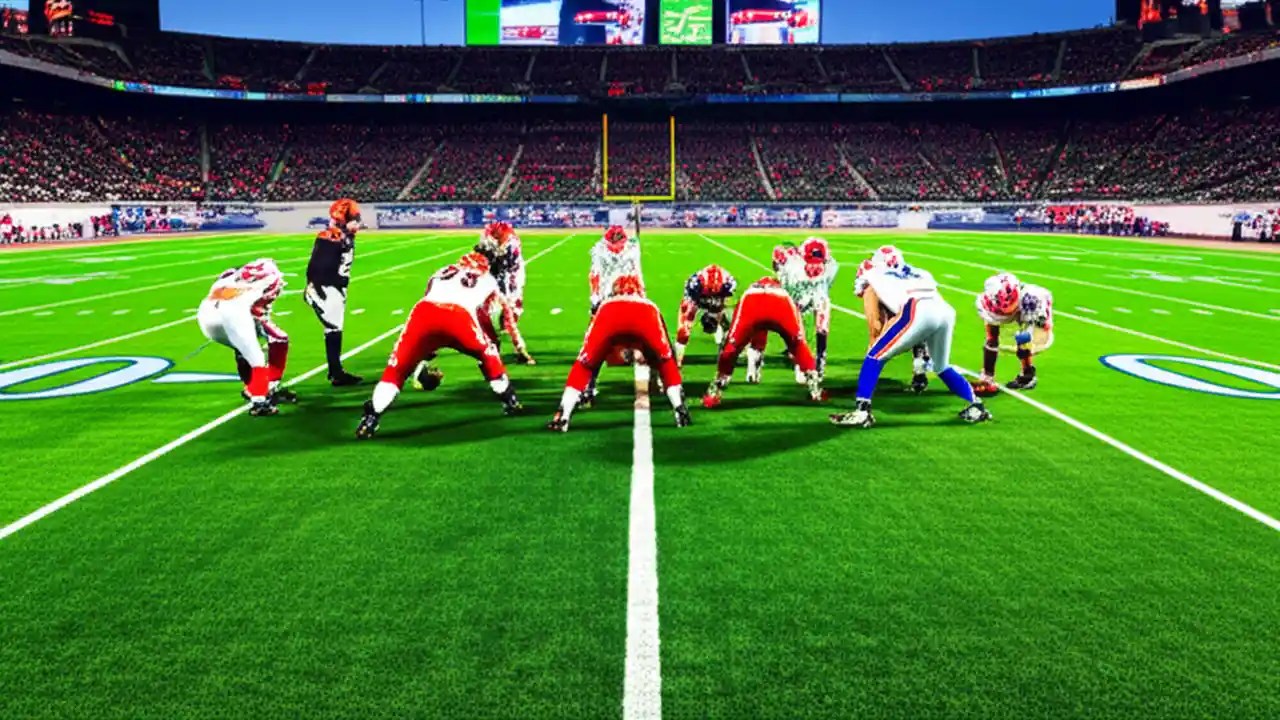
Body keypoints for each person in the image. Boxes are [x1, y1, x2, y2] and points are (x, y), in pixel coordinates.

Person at [355, 252, 523, 439]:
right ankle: (510, 400)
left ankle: (370, 419)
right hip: (460, 319)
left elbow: (429, 298)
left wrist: (424, 355)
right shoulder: (488, 281)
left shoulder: (442, 271)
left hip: (424, 314)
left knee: (396, 372)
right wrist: (490, 348)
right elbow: (484, 318)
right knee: (488, 356)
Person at [829, 256, 991, 429]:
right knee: (941, 367)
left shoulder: (872, 275)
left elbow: (875, 319)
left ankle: (862, 412)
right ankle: (977, 405)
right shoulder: (916, 272)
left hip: (917, 308)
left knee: (874, 356)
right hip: (944, 310)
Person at [547, 275, 691, 433]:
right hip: (645, 316)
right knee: (666, 363)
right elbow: (665, 349)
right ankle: (679, 408)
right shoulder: (650, 305)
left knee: (583, 365)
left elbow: (590, 341)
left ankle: (563, 414)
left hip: (610, 314)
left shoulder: (606, 304)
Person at [701, 276, 824, 408]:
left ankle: (715, 389)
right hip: (780, 301)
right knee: (798, 344)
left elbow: (742, 336)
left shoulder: (748, 293)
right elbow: (798, 340)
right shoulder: (785, 293)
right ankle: (815, 388)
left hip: (752, 301)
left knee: (731, 348)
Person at [196, 259, 294, 417]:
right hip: (234, 314)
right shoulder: (268, 279)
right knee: (259, 356)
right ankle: (259, 400)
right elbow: (257, 311)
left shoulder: (228, 277)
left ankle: (254, 387)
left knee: (244, 350)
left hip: (205, 315)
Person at [305, 197, 363, 387]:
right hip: (327, 288)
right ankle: (336, 372)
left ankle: (335, 371)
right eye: (355, 219)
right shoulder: (331, 237)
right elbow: (317, 267)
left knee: (334, 328)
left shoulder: (343, 236)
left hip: (334, 287)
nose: (358, 223)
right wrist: (316, 288)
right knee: (334, 328)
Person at [971, 273, 1054, 395]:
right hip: (1002, 305)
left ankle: (1027, 374)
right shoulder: (989, 299)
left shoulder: (1030, 299)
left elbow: (1039, 333)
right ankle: (987, 377)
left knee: (1023, 339)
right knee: (991, 338)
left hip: (1027, 307)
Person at [775, 236, 837, 382]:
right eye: (811, 263)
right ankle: (800, 364)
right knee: (798, 331)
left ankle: (820, 360)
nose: (815, 268)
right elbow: (786, 287)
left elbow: (827, 285)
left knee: (822, 326)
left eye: (819, 263)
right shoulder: (792, 268)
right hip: (797, 295)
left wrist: (817, 295)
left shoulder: (832, 266)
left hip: (818, 294)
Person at [475, 221, 534, 364]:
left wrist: (493, 255)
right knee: (487, 311)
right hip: (496, 277)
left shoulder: (512, 244)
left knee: (510, 309)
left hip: (510, 276)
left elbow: (505, 265)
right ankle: (503, 345)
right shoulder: (492, 241)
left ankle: (512, 346)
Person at [674, 264, 737, 368]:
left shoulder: (728, 285)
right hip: (697, 299)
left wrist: (717, 316)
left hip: (717, 298)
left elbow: (728, 304)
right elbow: (688, 310)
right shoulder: (694, 286)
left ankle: (725, 353)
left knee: (726, 325)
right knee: (684, 331)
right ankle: (676, 360)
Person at [588, 225, 642, 314]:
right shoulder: (599, 250)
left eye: (619, 244)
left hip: (626, 289)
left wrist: (641, 293)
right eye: (611, 244)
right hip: (606, 290)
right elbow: (595, 275)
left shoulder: (632, 249)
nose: (615, 247)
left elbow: (637, 272)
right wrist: (595, 297)